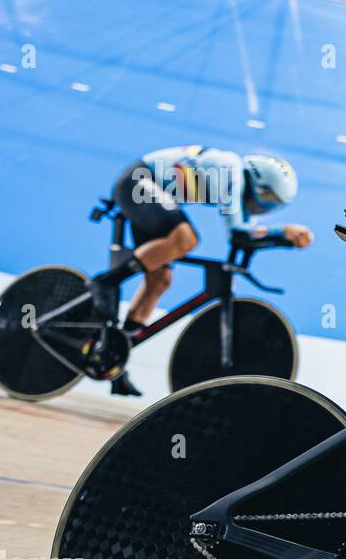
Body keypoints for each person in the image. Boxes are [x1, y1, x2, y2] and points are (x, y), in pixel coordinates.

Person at [87, 146, 314, 395]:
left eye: (274, 206)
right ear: (256, 181)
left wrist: (282, 238)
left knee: (160, 280)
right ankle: (106, 282)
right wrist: (283, 232)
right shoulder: (232, 171)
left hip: (152, 191)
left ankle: (117, 355)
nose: (266, 208)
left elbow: (246, 236)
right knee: (186, 239)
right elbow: (238, 232)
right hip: (138, 182)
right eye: (268, 198)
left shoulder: (239, 187)